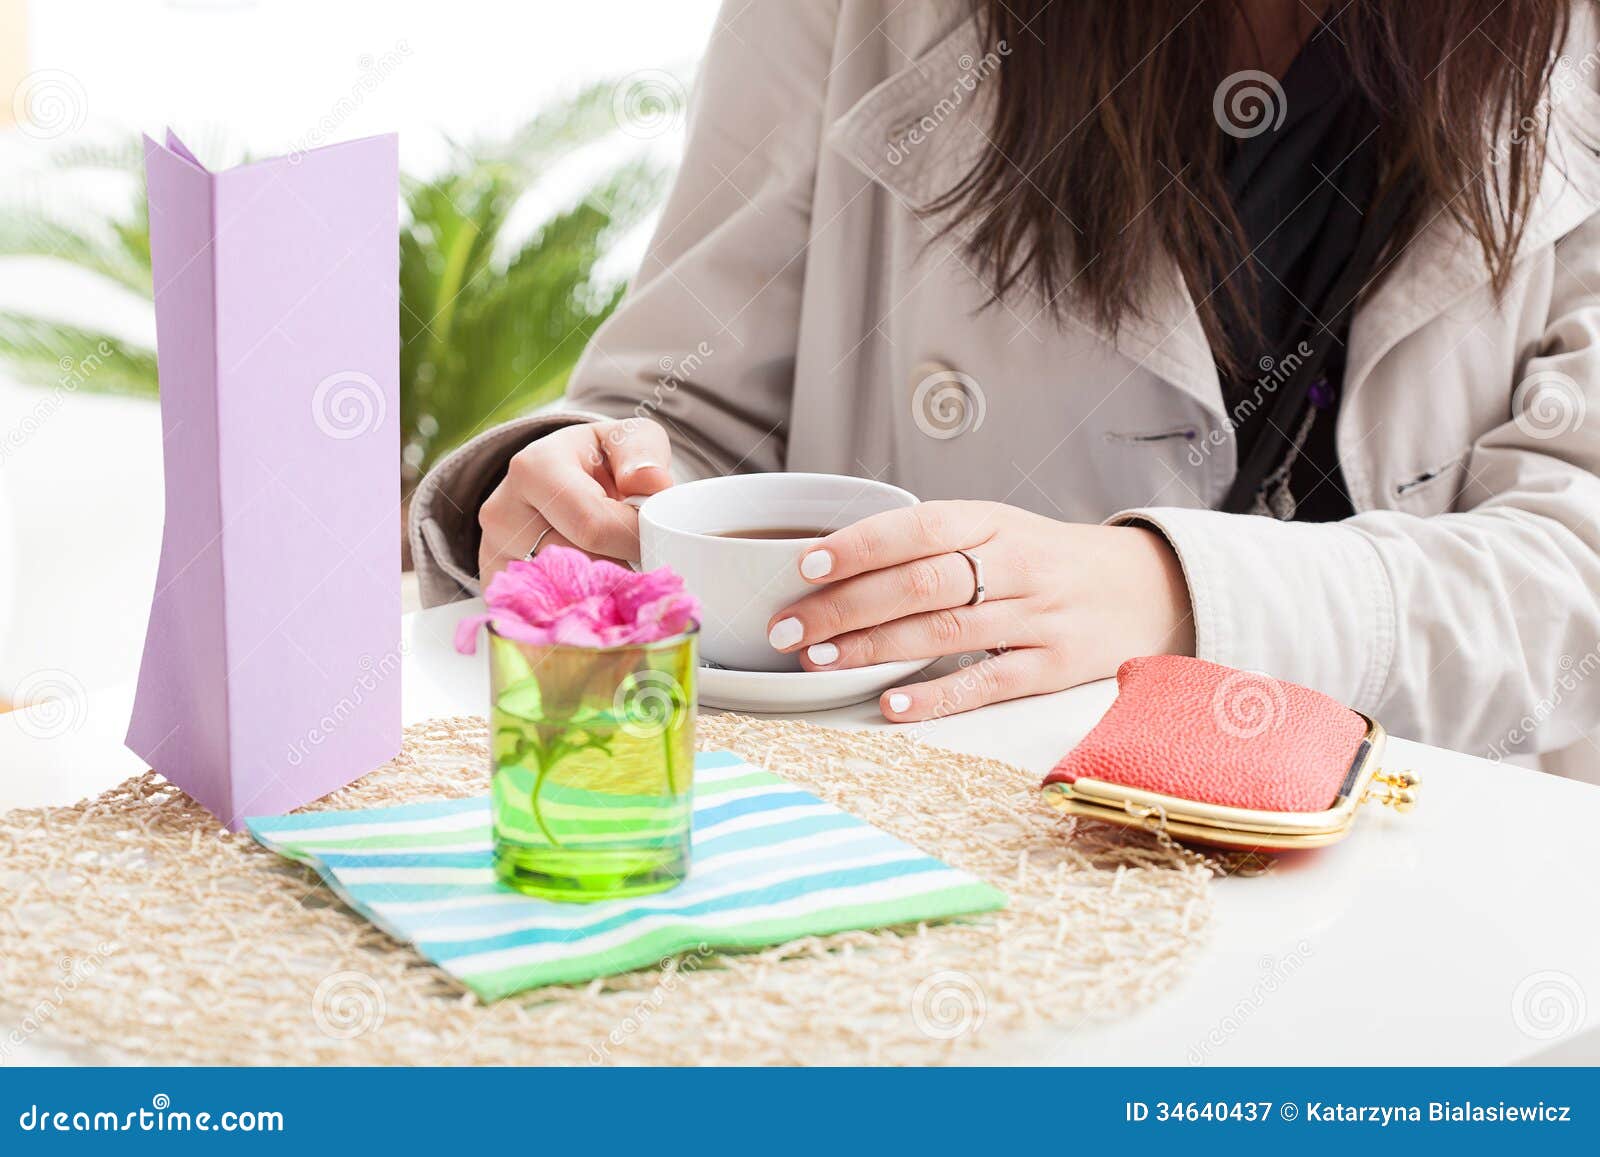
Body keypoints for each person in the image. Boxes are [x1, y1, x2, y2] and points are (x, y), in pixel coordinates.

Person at [410, 0, 1600, 767]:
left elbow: (1575, 573)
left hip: (1432, 875)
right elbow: (687, 409)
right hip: (939, 850)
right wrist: (591, 491)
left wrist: (1172, 591)